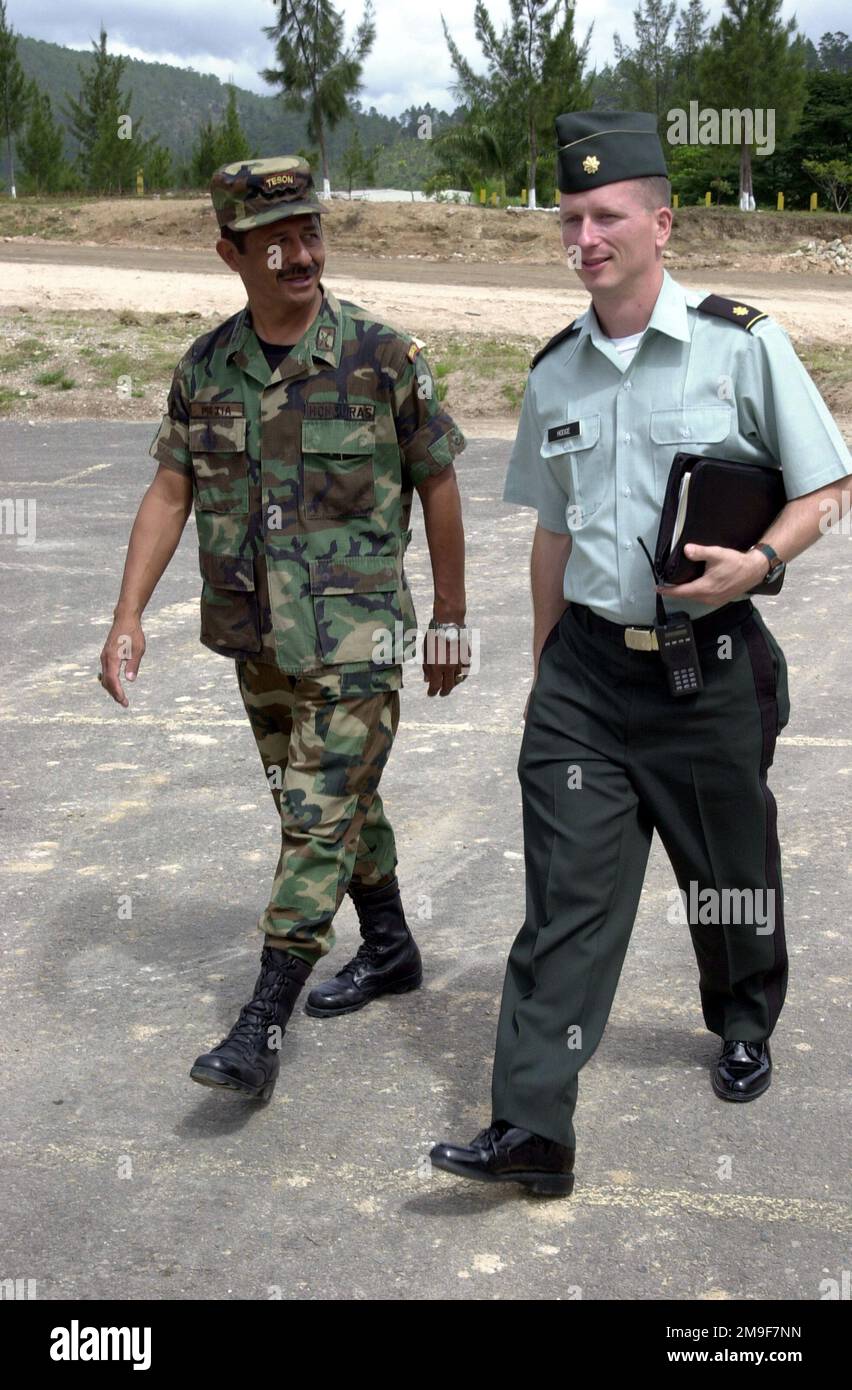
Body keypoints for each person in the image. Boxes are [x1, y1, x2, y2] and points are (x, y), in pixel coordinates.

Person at [430, 111, 852, 1197]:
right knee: (568, 898)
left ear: (660, 222)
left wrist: (756, 562)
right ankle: (532, 1125)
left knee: (727, 878)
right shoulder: (554, 374)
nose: (585, 236)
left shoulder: (740, 341)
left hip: (708, 667)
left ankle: (744, 1015)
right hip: (587, 674)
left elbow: (827, 487)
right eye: (570, 218)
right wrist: (545, 669)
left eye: (607, 214)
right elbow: (552, 532)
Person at [98, 156, 469, 1102]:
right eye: (276, 242)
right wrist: (127, 615)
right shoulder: (206, 368)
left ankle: (261, 1019)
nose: (300, 255)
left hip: (360, 640)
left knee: (314, 818)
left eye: (310, 235)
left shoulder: (383, 356)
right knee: (332, 806)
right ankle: (388, 947)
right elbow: (170, 489)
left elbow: (439, 484)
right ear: (232, 253)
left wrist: (453, 619)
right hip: (256, 639)